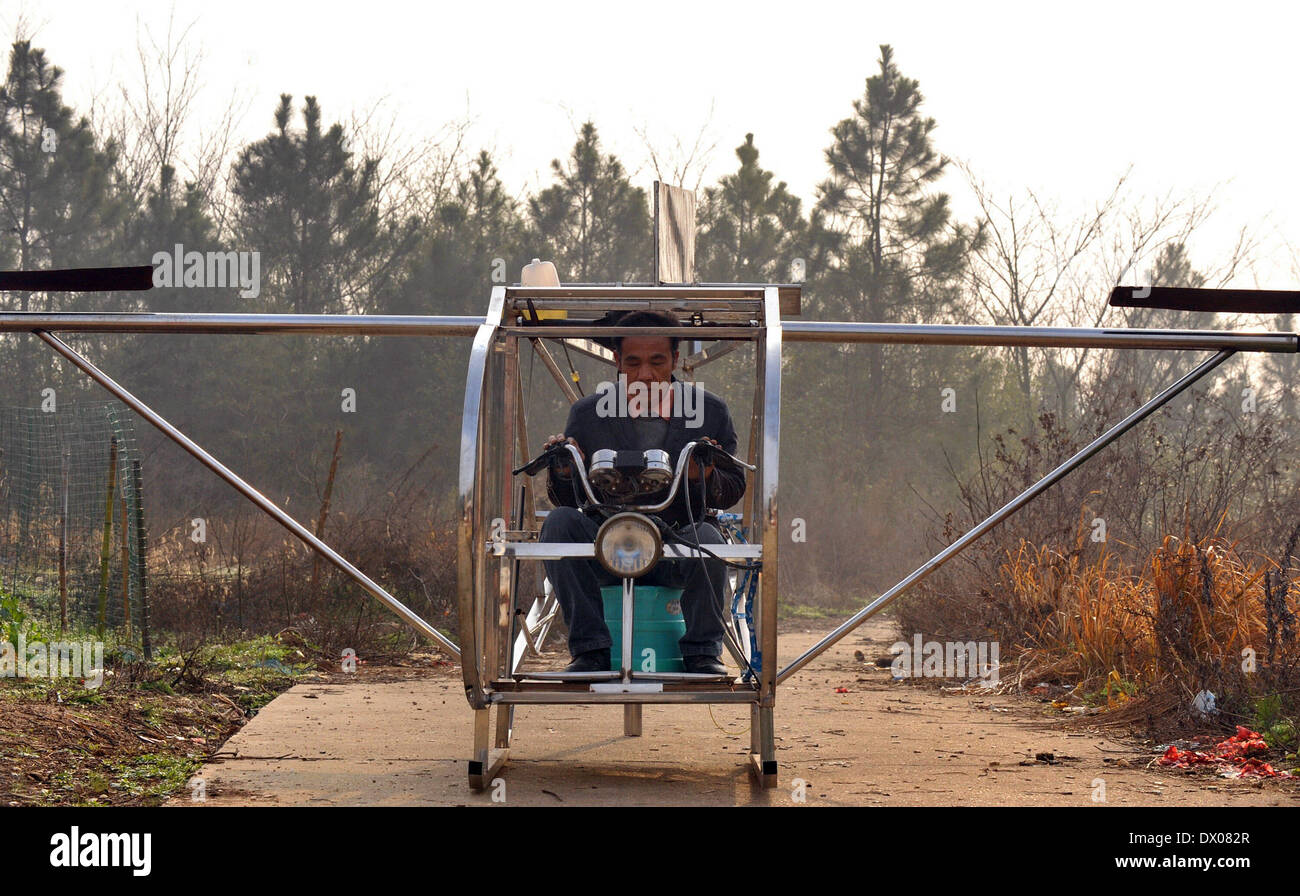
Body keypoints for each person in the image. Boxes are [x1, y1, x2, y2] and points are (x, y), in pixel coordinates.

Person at [539, 310, 747, 675]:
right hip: (606, 544)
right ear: (617, 360)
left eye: (657, 361)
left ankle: (702, 653)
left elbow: (731, 491)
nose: (645, 374)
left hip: (677, 546)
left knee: (710, 537)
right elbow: (568, 499)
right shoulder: (588, 414)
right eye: (633, 362)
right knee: (558, 524)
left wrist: (706, 474)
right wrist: (564, 468)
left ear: (676, 360)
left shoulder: (709, 411)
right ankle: (591, 652)